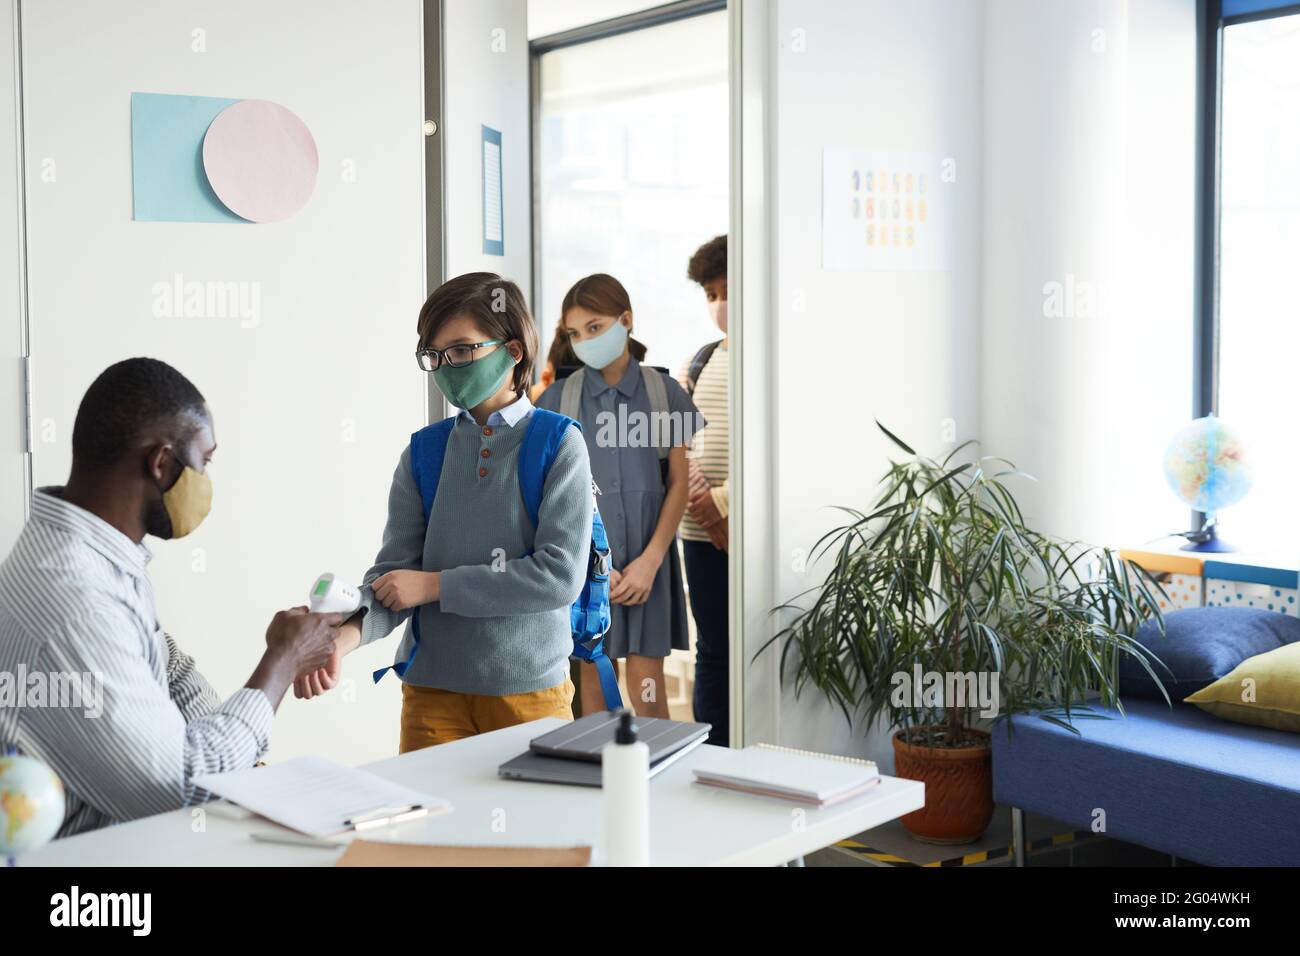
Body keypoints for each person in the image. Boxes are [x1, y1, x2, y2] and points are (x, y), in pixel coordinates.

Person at [0, 358, 341, 837]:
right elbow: (176, 785)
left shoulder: (97, 555)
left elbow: (170, 669)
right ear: (161, 463)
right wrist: (284, 661)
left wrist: (237, 764)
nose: (206, 481)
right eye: (205, 462)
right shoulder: (76, 602)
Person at [295, 273, 595, 752]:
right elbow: (395, 578)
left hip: (529, 693)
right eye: (434, 356)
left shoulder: (559, 443)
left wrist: (436, 585)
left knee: (532, 829)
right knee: (429, 828)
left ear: (514, 350)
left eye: (461, 350)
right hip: (431, 695)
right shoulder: (424, 453)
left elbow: (558, 576)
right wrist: (342, 640)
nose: (446, 367)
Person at [537, 274, 699, 719]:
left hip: (651, 564)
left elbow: (679, 485)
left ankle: (658, 787)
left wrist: (649, 562)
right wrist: (592, 570)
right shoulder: (557, 401)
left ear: (625, 320)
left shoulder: (662, 394)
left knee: (649, 695)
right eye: (575, 333)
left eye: (594, 327)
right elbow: (551, 499)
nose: (584, 340)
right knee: (593, 689)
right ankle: (600, 784)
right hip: (587, 570)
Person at [678, 235, 730, 746]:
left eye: (726, 289)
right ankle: (711, 754)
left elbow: (770, 451)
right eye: (710, 293)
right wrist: (698, 499)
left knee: (744, 648)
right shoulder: (703, 358)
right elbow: (680, 438)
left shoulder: (771, 359)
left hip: (738, 529)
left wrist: (721, 505)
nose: (719, 304)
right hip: (697, 532)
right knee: (712, 649)